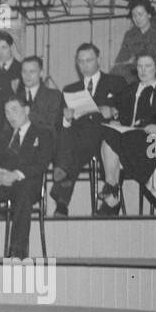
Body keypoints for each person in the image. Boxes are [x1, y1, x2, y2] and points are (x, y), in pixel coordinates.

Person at [96, 52, 156, 216]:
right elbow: (120, 114)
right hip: (131, 138)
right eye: (139, 66)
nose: (143, 70)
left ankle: (112, 198)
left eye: (148, 66)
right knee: (108, 133)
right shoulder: (130, 90)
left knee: (136, 141)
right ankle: (112, 187)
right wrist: (115, 118)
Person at [50, 43, 125, 216]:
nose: (84, 65)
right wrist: (67, 118)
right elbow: (60, 124)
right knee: (67, 134)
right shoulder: (70, 89)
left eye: (89, 60)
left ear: (98, 60)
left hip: (106, 136)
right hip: (80, 138)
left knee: (72, 149)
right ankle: (110, 201)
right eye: (80, 62)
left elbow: (126, 111)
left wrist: (113, 111)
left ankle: (62, 198)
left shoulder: (116, 82)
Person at [0, 96, 51, 256]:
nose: (10, 115)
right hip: (2, 183)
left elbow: (41, 163)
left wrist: (15, 174)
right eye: (7, 112)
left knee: (24, 190)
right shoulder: (4, 136)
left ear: (26, 110)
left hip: (26, 184)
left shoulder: (42, 133)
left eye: (14, 110)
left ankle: (17, 251)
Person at [113, 0, 156, 80]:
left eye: (140, 14)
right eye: (134, 15)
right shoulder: (130, 35)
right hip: (135, 70)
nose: (137, 19)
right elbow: (120, 60)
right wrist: (127, 62)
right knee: (115, 72)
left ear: (149, 14)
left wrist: (135, 60)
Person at [18, 55, 63, 133]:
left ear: (41, 73)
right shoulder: (16, 98)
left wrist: (28, 114)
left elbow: (52, 124)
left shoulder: (54, 96)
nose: (27, 76)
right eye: (24, 71)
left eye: (32, 71)